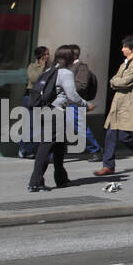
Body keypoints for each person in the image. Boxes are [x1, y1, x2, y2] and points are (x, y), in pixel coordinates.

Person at [27, 46, 92, 192]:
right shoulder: (65, 73)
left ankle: (61, 178)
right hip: (55, 113)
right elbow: (72, 95)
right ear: (69, 59)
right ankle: (35, 182)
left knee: (59, 147)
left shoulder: (50, 70)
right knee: (46, 147)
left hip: (44, 111)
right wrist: (86, 105)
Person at [95, 34, 133, 176]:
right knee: (110, 134)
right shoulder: (125, 63)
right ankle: (108, 165)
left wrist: (115, 81)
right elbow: (115, 79)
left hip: (128, 104)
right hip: (118, 103)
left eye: (124, 47)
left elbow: (123, 82)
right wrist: (115, 81)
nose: (122, 49)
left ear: (132, 49)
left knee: (124, 136)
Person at [68, 44, 102, 159]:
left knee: (80, 128)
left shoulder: (81, 67)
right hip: (64, 103)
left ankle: (96, 149)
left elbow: (81, 85)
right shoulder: (66, 66)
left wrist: (65, 85)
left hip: (74, 104)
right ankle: (51, 153)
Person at [18, 46, 48, 158]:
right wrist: (42, 67)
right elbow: (34, 78)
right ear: (40, 55)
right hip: (31, 97)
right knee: (29, 124)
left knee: (37, 125)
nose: (47, 56)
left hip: (42, 99)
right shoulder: (33, 66)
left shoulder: (50, 68)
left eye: (48, 54)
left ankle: (28, 149)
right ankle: (24, 149)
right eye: (45, 54)